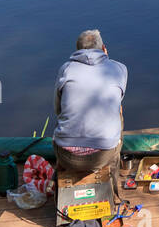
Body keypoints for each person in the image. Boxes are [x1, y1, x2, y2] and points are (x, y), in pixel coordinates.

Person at [53, 30, 127, 188]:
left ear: (77, 50)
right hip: (103, 156)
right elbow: (116, 103)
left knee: (63, 116)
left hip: (67, 156)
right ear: (104, 48)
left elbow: (58, 110)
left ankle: (61, 172)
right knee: (117, 111)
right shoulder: (119, 69)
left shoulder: (66, 70)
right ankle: (113, 173)